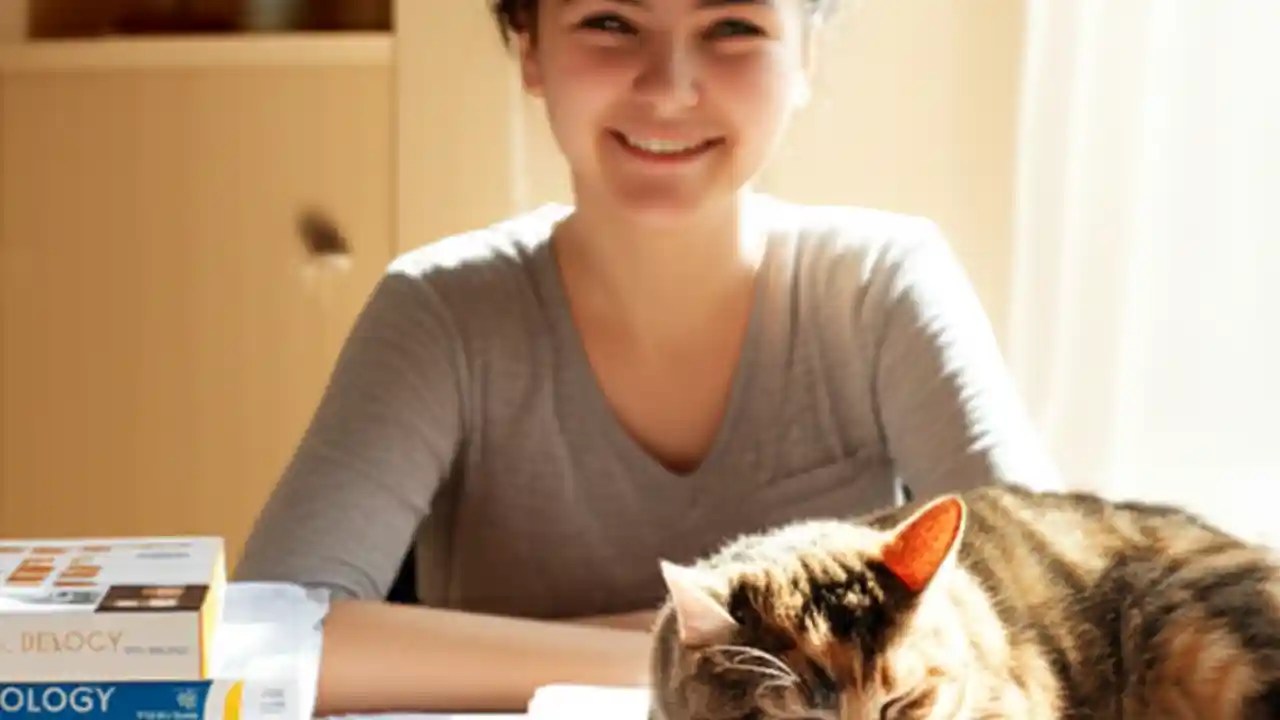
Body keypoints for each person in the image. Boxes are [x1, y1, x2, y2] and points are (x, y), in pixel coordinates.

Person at [234, 0, 1059, 714]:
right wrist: (689, 663)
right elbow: (263, 640)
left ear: (805, 51)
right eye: (609, 23)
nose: (669, 86)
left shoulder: (882, 288)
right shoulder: (440, 313)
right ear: (529, 46)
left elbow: (1047, 610)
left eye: (731, 25)